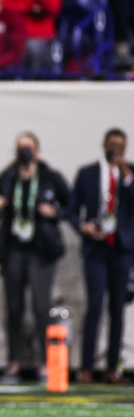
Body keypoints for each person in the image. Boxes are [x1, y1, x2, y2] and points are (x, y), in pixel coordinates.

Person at [0, 132, 72, 383]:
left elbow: (70, 206)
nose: (25, 153)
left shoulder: (49, 177)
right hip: (14, 249)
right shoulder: (8, 176)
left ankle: (45, 364)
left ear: (37, 151)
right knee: (14, 308)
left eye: (29, 148)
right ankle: (13, 363)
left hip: (41, 251)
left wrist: (54, 213)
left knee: (41, 307)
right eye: (20, 148)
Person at [68, 128, 134, 383]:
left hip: (122, 249)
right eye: (112, 144)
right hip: (95, 249)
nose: (116, 149)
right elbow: (72, 209)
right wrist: (82, 226)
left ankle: (112, 367)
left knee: (118, 308)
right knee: (94, 305)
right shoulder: (88, 174)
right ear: (104, 144)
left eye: (121, 145)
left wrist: (127, 175)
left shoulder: (130, 173)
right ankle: (86, 366)